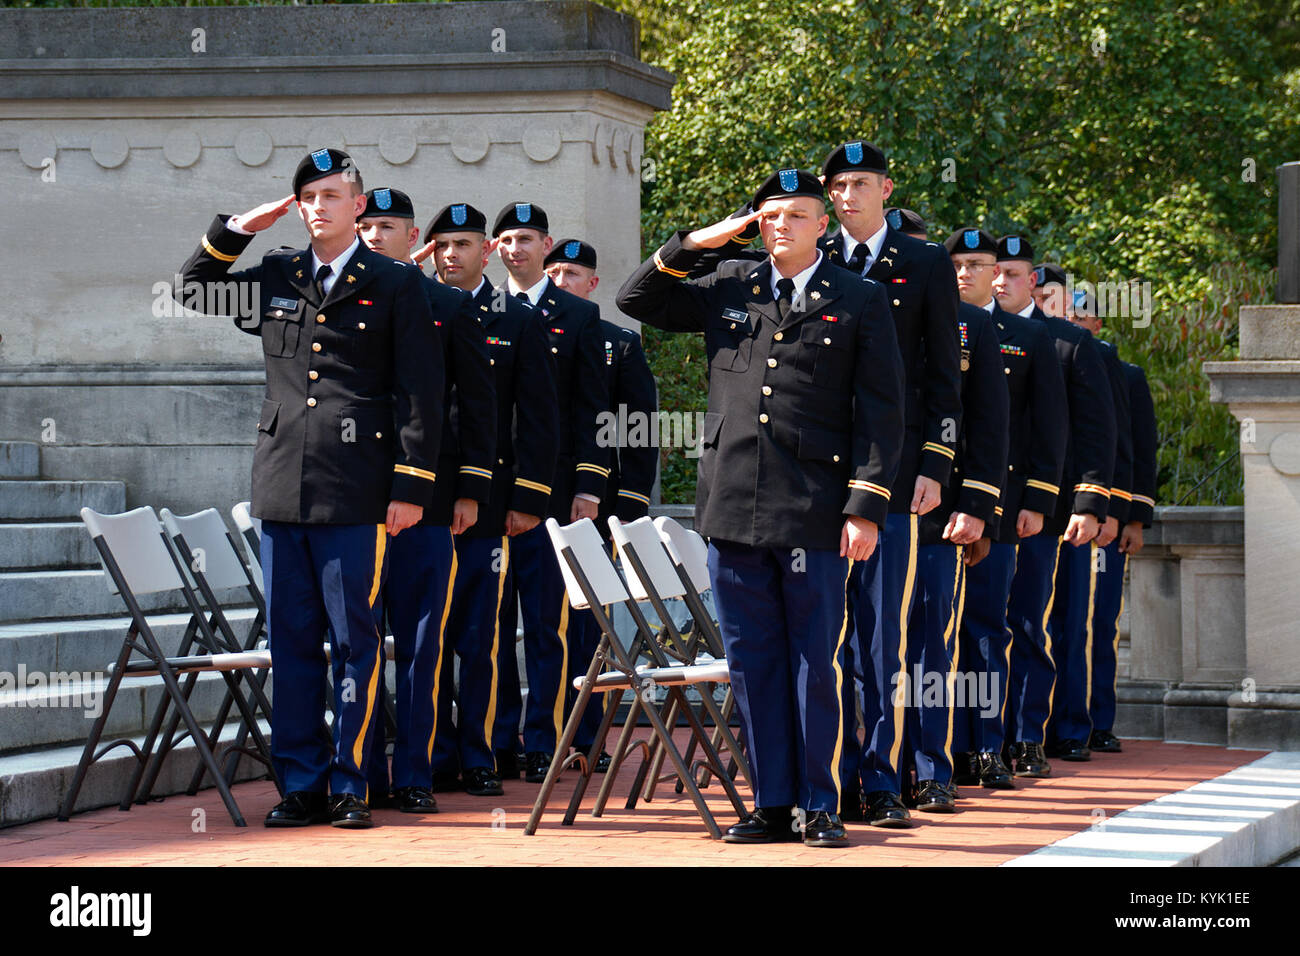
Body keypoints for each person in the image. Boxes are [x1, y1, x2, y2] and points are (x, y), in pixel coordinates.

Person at [616, 167, 906, 847]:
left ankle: (820, 802)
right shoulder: (728, 285)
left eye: (797, 216)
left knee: (815, 662)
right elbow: (638, 297)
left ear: (821, 225)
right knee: (751, 662)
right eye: (769, 216)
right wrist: (703, 239)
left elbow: (883, 413)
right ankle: (772, 802)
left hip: (814, 509)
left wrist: (865, 507)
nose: (782, 227)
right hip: (733, 507)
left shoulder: (858, 298)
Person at [177, 148, 443, 828]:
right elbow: (194, 287)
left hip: (358, 491)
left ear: (359, 204)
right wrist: (239, 229)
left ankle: (353, 783)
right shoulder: (276, 274)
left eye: (332, 194)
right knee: (291, 640)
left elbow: (420, 390)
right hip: (281, 485)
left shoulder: (393, 283)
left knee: (356, 639)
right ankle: (302, 783)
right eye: (308, 196)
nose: (318, 206)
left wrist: (411, 484)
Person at [819, 141, 963, 828]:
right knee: (827, 637)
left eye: (860, 184)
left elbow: (943, 376)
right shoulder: (811, 261)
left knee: (884, 640)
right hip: (817, 479)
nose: (848, 196)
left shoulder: (926, 263)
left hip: (896, 480)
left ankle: (883, 778)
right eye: (838, 186)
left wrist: (936, 463)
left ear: (887, 188)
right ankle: (836, 775)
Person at [354, 187, 497, 811]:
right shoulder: (340, 301)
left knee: (420, 642)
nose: (376, 236)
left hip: (430, 502)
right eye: (369, 226)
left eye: (390, 227)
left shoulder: (447, 305)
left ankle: (413, 771)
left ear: (416, 239)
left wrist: (470, 490)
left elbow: (476, 409)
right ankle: (357, 774)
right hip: (352, 500)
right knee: (356, 640)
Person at [417, 201, 559, 794]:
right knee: (428, 636)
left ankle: (478, 753)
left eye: (464, 245)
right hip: (420, 503)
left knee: (480, 635)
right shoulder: (412, 304)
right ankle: (431, 752)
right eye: (442, 245)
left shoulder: (517, 319)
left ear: (488, 250)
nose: (452, 256)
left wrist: (527, 499)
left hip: (487, 506)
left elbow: (537, 417)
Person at [489, 203, 611, 783]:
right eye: (506, 240)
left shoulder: (578, 316)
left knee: (547, 625)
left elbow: (593, 411)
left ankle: (546, 738)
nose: (516, 249)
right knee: (487, 626)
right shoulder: (479, 309)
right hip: (487, 495)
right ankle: (499, 737)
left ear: (547, 244)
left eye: (526, 239)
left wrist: (589, 486)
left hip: (556, 497)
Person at [943, 229, 1066, 789]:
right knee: (937, 633)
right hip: (934, 504)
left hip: (1002, 507)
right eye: (960, 264)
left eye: (981, 264)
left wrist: (1038, 501)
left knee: (989, 629)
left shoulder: (1025, 336)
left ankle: (990, 743)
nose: (970, 274)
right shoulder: (930, 326)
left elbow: (1048, 428)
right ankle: (950, 748)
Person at [994, 236, 1114, 777]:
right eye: (996, 272)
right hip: (982, 504)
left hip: (1048, 509)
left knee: (1034, 623)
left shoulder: (1070, 343)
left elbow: (1095, 433)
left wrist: (1089, 503)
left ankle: (1027, 735)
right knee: (978, 627)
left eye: (1016, 275)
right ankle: (983, 738)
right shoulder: (966, 330)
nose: (1002, 282)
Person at [543, 238, 659, 768]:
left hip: (591, 508)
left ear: (592, 284)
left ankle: (587, 737)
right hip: (532, 501)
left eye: (573, 274)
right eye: (556, 272)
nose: (563, 282)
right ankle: (537, 740)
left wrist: (626, 510)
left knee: (588, 625)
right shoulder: (524, 332)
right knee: (540, 624)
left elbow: (637, 431)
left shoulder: (619, 343)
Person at [1037, 268, 1132, 760]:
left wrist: (1117, 509)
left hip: (1080, 506)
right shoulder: (1017, 340)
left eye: (1072, 305)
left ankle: (1078, 725)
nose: (1065, 311)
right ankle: (1037, 729)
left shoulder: (1098, 356)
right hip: (1032, 505)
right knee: (1036, 624)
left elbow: (1117, 438)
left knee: (1081, 622)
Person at [1065, 293, 1159, 754]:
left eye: (1082, 313)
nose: (1074, 319)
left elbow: (1131, 449)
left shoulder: (1122, 372)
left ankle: (1098, 719)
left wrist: (1128, 516)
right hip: (1053, 513)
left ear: (1098, 321)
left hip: (1103, 517)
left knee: (1099, 621)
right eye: (1067, 310)